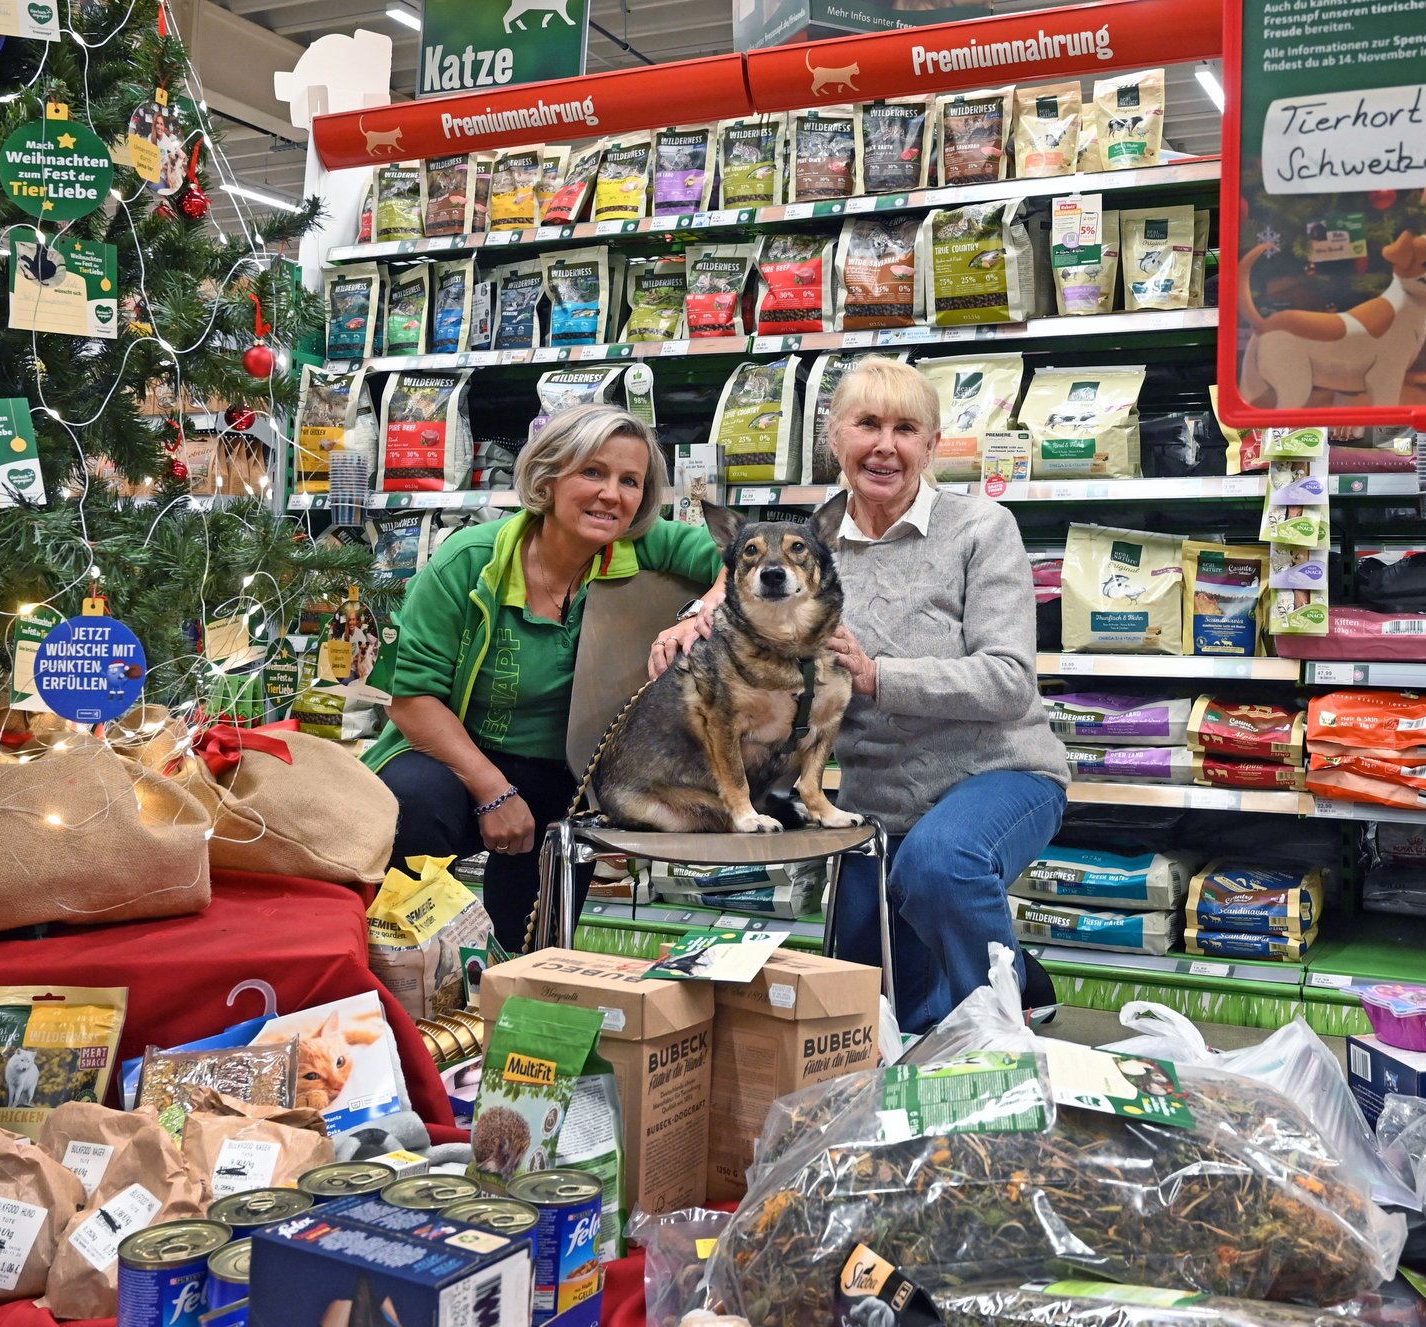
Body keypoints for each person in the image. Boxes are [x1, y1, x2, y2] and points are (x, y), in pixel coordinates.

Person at [650, 357, 1069, 1030]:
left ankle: (1001, 1043)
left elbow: (1009, 679)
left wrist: (877, 675)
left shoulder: (982, 530)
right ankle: (1004, 974)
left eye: (907, 429)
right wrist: (692, 620)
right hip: (882, 798)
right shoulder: (807, 542)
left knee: (940, 866)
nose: (885, 445)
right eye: (867, 424)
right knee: (863, 1001)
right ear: (835, 440)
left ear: (931, 447)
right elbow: (732, 576)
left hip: (999, 771)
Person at [368, 404, 726, 952]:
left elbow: (744, 556)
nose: (612, 494)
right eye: (593, 472)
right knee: (416, 804)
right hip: (451, 759)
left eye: (630, 481)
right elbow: (412, 701)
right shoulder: (469, 560)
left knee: (533, 928)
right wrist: (493, 793)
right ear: (549, 476)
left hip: (563, 773)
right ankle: (396, 974)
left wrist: (706, 609)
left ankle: (513, 993)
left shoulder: (642, 543)